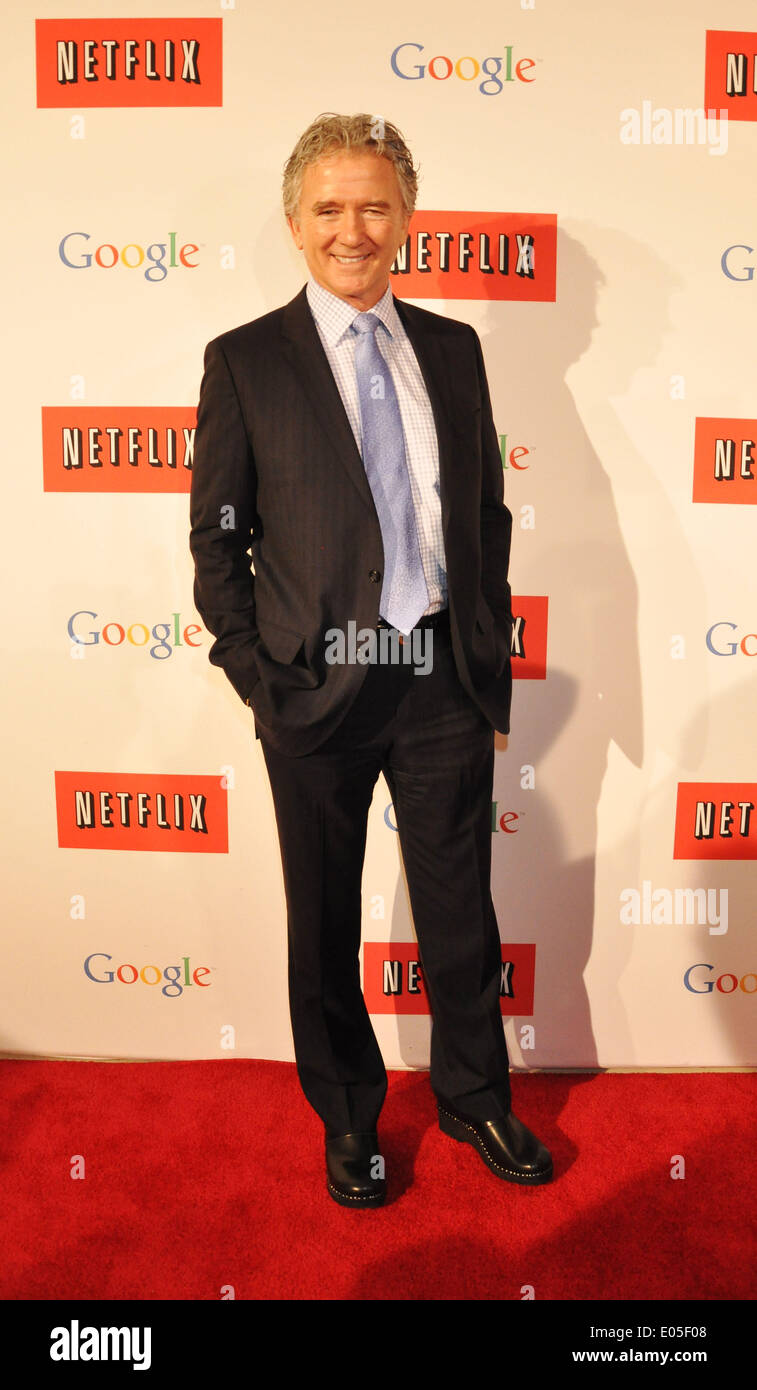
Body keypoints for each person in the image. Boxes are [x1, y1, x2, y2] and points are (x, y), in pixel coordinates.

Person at [189, 113, 552, 1207]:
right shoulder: (245, 361)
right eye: (331, 209)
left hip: (442, 675)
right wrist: (261, 674)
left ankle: (476, 1095)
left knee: (460, 908)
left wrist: (483, 648)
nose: (354, 229)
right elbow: (218, 535)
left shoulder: (454, 348)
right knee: (324, 920)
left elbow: (479, 512)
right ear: (297, 224)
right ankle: (349, 1116)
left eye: (375, 205)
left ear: (406, 218)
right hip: (315, 686)